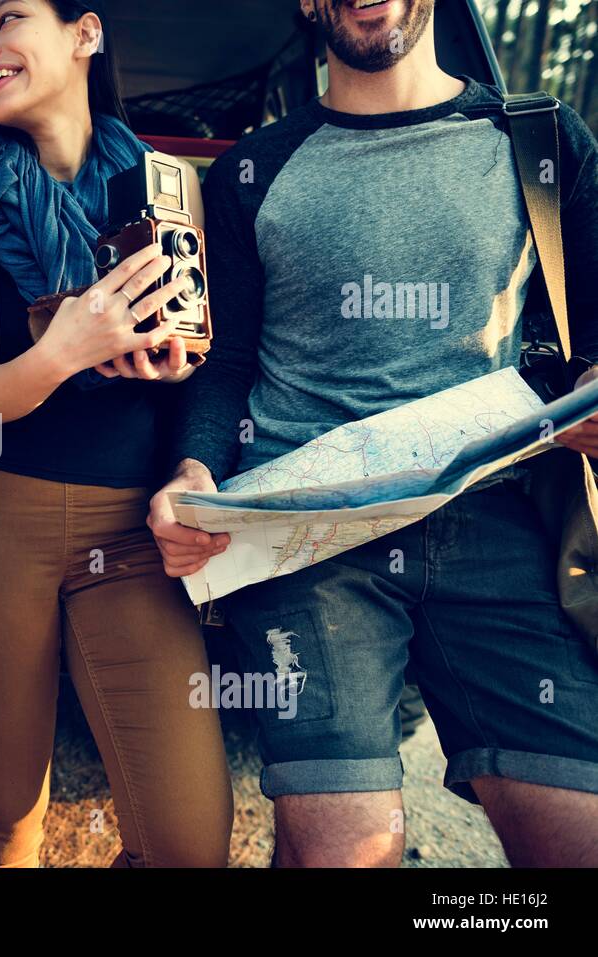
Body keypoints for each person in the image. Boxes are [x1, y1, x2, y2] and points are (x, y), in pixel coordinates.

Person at [150, 0, 598, 867]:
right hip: (310, 536)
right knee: (345, 854)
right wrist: (192, 470)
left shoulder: (539, 140)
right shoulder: (251, 170)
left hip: (498, 522)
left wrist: (586, 389)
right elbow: (227, 360)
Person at [0, 0, 234, 867]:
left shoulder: (172, 188)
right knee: (1, 829)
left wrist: (177, 366)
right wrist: (63, 351)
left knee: (189, 842)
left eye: (8, 19)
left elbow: (206, 361)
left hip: (136, 530)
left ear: (85, 34)